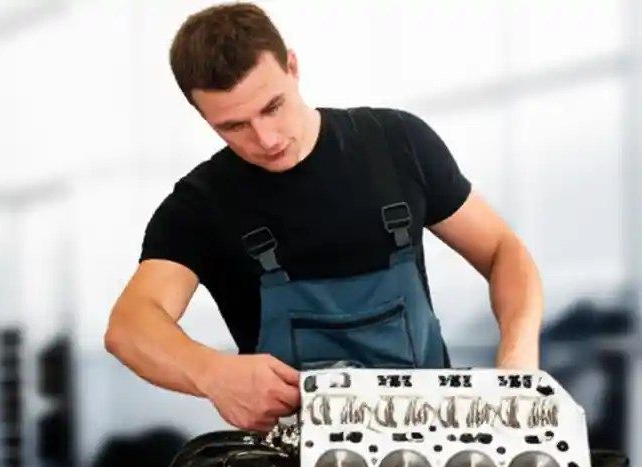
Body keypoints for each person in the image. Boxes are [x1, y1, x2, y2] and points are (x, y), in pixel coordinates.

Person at [104, 1, 544, 433]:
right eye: (234, 126)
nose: (266, 138)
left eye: (272, 106)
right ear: (203, 116)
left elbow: (503, 251)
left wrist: (518, 366)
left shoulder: (396, 146)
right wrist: (212, 373)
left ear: (292, 66)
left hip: (433, 451)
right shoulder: (200, 205)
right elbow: (130, 325)